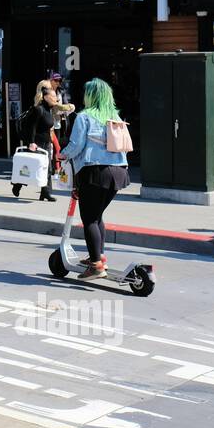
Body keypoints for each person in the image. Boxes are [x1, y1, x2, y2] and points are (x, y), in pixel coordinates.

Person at [61, 78, 130, 280]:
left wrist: (62, 154)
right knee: (97, 215)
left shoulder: (84, 117)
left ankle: (96, 266)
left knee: (89, 218)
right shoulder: (116, 117)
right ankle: (98, 256)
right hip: (119, 172)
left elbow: (76, 145)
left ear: (91, 96)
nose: (84, 96)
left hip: (94, 172)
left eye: (86, 93)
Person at [18, 85, 61, 201]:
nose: (56, 99)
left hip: (46, 143)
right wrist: (31, 142)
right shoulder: (38, 109)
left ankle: (45, 193)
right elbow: (31, 127)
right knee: (29, 167)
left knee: (47, 168)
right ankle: (17, 184)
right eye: (53, 96)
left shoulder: (49, 110)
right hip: (36, 144)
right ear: (46, 97)